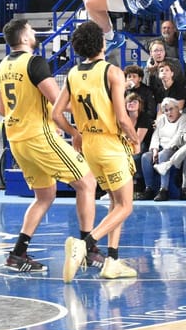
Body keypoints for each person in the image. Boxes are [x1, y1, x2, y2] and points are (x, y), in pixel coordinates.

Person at [0, 19, 99, 274]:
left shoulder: (2, 66)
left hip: (16, 138)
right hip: (38, 135)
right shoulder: (34, 62)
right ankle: (87, 247)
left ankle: (18, 253)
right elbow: (58, 102)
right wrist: (77, 128)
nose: (34, 33)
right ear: (23, 38)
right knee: (87, 182)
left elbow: (1, 109)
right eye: (31, 30)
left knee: (44, 195)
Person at [51, 21, 141, 280]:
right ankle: (86, 244)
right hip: (110, 144)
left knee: (114, 202)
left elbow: (57, 113)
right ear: (101, 43)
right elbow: (123, 119)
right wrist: (135, 140)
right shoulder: (113, 72)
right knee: (126, 206)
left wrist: (75, 133)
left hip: (88, 144)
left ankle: (112, 260)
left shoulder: (72, 74)